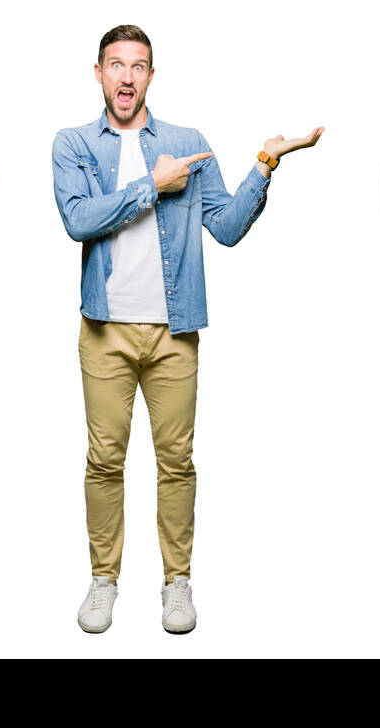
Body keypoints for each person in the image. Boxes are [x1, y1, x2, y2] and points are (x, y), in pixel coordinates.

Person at [52, 24, 322, 634]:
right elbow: (78, 220)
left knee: (176, 460)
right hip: (105, 331)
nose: (126, 76)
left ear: (152, 74)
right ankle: (104, 580)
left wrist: (265, 164)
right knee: (105, 459)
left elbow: (224, 227)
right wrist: (155, 184)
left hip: (176, 331)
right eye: (115, 65)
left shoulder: (187, 142)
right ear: (98, 73)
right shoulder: (73, 144)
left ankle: (177, 581)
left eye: (138, 66)